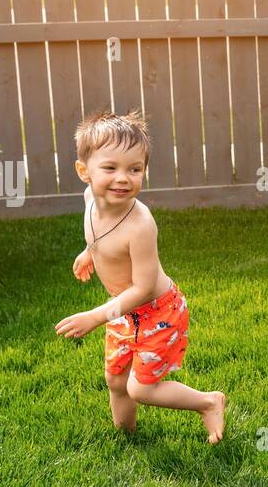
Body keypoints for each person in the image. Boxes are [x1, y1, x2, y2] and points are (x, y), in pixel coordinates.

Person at [54, 109, 225, 441]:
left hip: (158, 312)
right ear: (83, 172)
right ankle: (126, 436)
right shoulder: (90, 198)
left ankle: (208, 402)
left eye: (134, 169)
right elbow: (100, 232)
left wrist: (95, 316)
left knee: (141, 388)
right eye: (110, 168)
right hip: (123, 311)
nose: (122, 178)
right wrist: (90, 251)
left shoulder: (140, 224)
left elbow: (145, 288)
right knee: (116, 380)